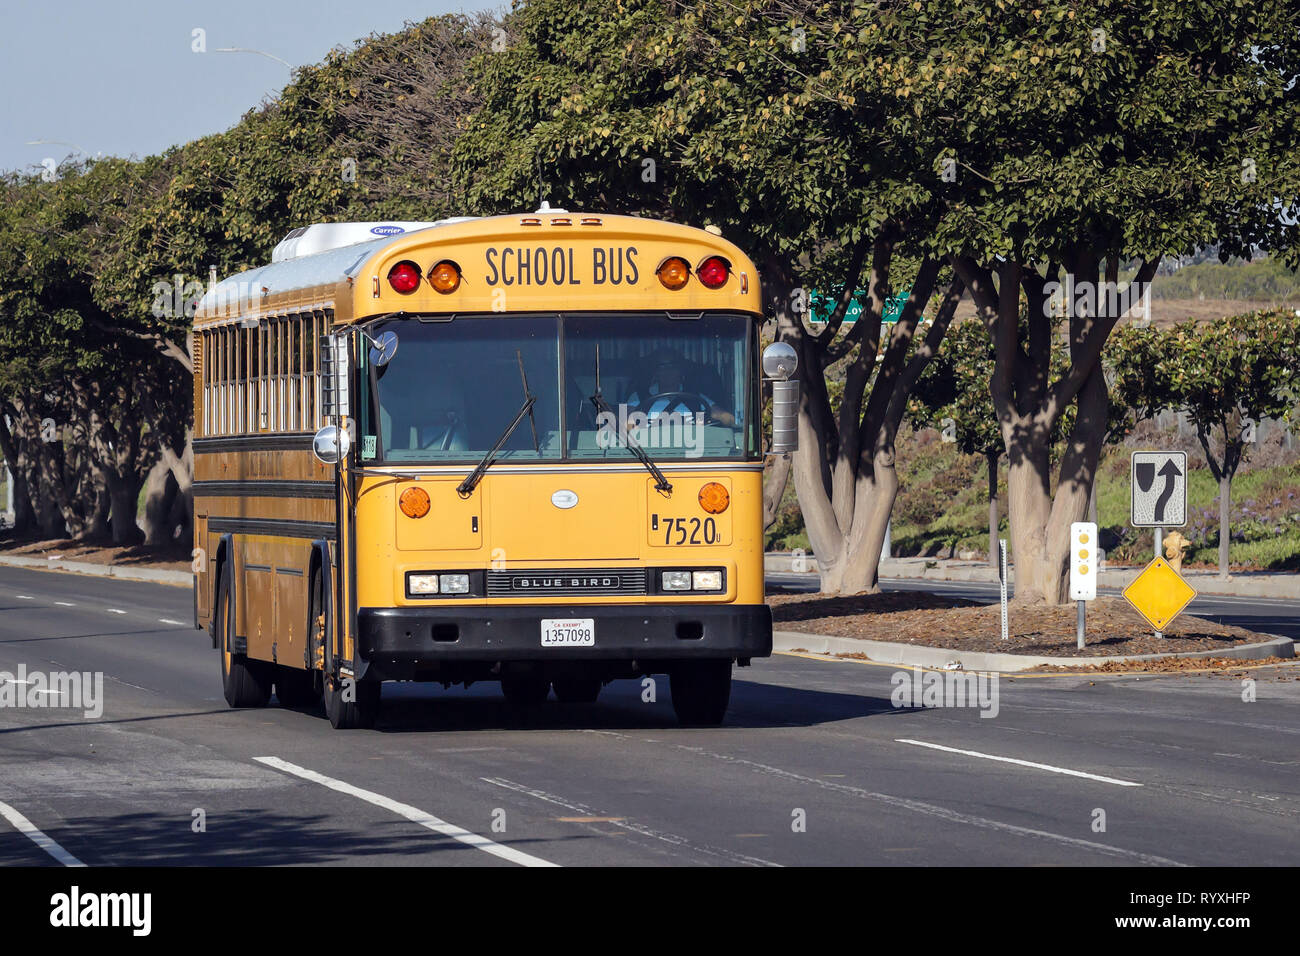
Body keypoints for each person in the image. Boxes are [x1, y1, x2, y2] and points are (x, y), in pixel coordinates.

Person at [625, 349, 735, 426]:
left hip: (690, 452)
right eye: (662, 367)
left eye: (672, 366)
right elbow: (626, 425)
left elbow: (726, 418)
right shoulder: (639, 397)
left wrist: (724, 421)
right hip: (649, 451)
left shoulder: (696, 397)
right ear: (656, 372)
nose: (668, 371)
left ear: (681, 370)